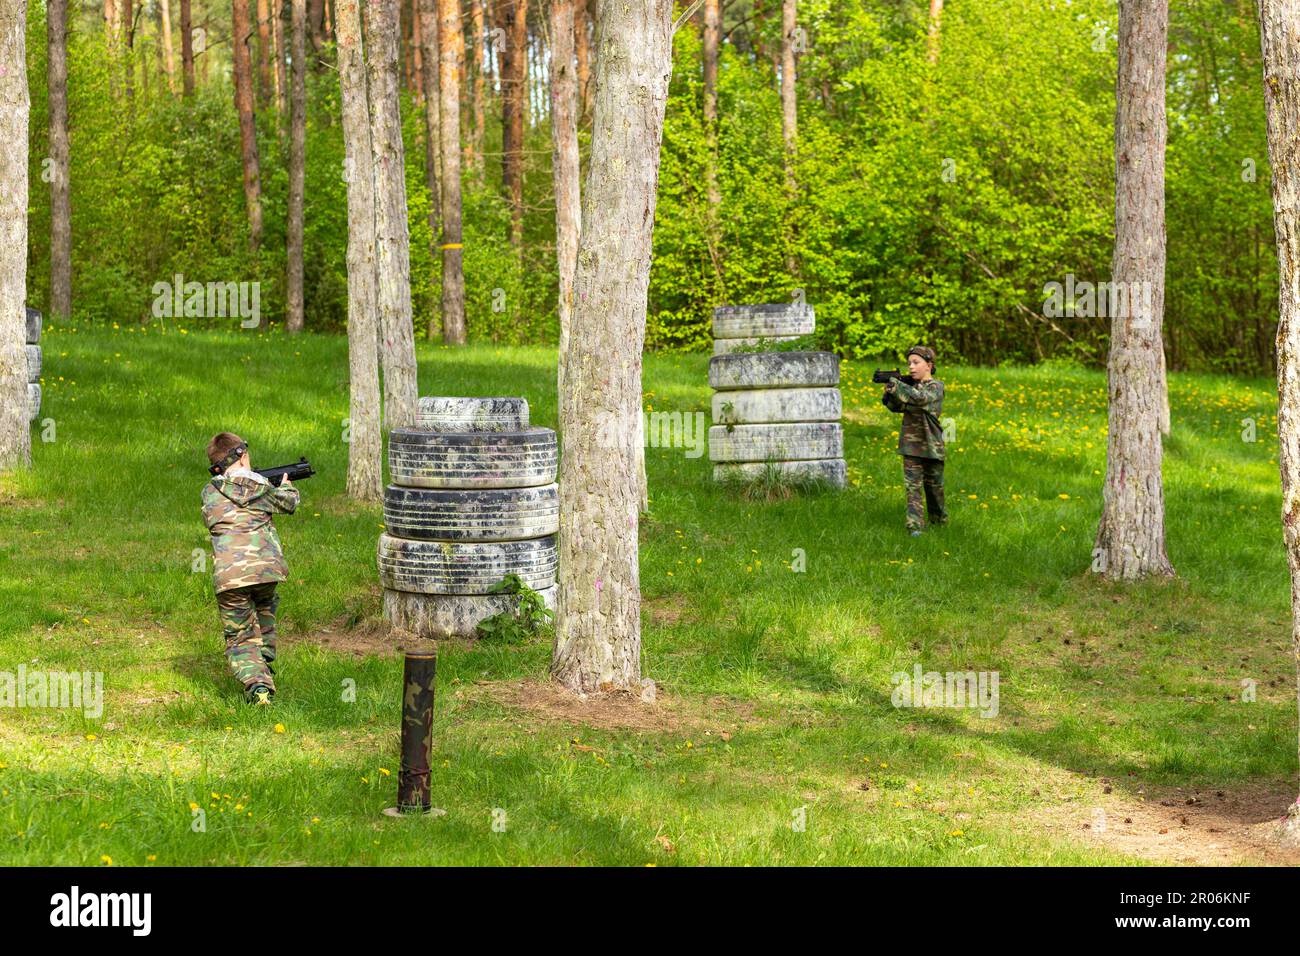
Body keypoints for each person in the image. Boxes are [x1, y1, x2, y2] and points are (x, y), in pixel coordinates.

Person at [202, 432, 300, 704]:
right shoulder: (260, 488)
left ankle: (258, 685)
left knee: (240, 634)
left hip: (230, 575)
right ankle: (263, 667)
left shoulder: (209, 492)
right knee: (265, 613)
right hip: (265, 570)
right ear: (243, 455)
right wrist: (287, 486)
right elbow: (289, 503)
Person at [882, 346, 948, 536]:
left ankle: (939, 522)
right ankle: (915, 527)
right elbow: (897, 407)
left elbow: (920, 399)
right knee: (913, 489)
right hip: (911, 446)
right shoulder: (909, 388)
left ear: (929, 365)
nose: (911, 367)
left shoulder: (936, 387)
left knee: (935, 489)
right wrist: (889, 393)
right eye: (909, 363)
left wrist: (899, 386)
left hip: (932, 446)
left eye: (916, 362)